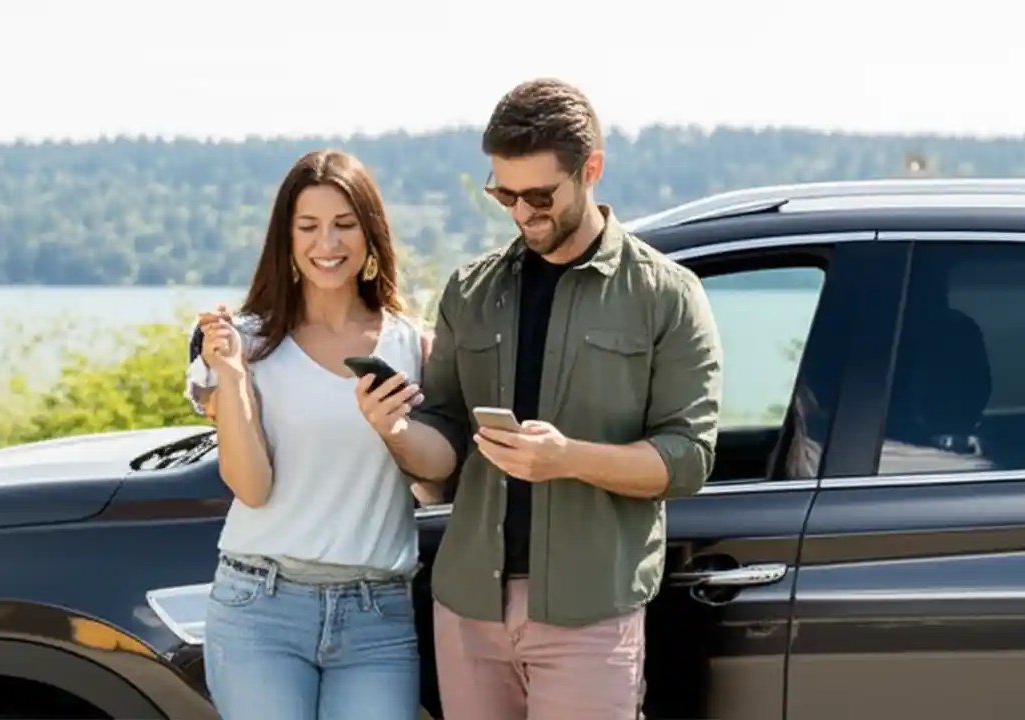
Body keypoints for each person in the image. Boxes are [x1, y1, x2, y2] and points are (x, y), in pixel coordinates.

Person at [356, 78, 723, 719]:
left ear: (592, 171)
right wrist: (394, 429)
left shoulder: (666, 294)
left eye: (540, 195)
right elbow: (443, 444)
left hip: (591, 613)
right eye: (505, 194)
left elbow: (687, 459)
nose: (522, 213)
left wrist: (568, 458)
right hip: (469, 608)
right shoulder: (470, 292)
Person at [185, 149, 439, 720]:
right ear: (287, 239)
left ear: (371, 234)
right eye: (309, 227)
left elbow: (436, 481)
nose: (328, 243)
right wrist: (232, 379)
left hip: (377, 615)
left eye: (345, 225)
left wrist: (395, 429)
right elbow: (250, 487)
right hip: (260, 608)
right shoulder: (241, 342)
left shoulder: (413, 347)